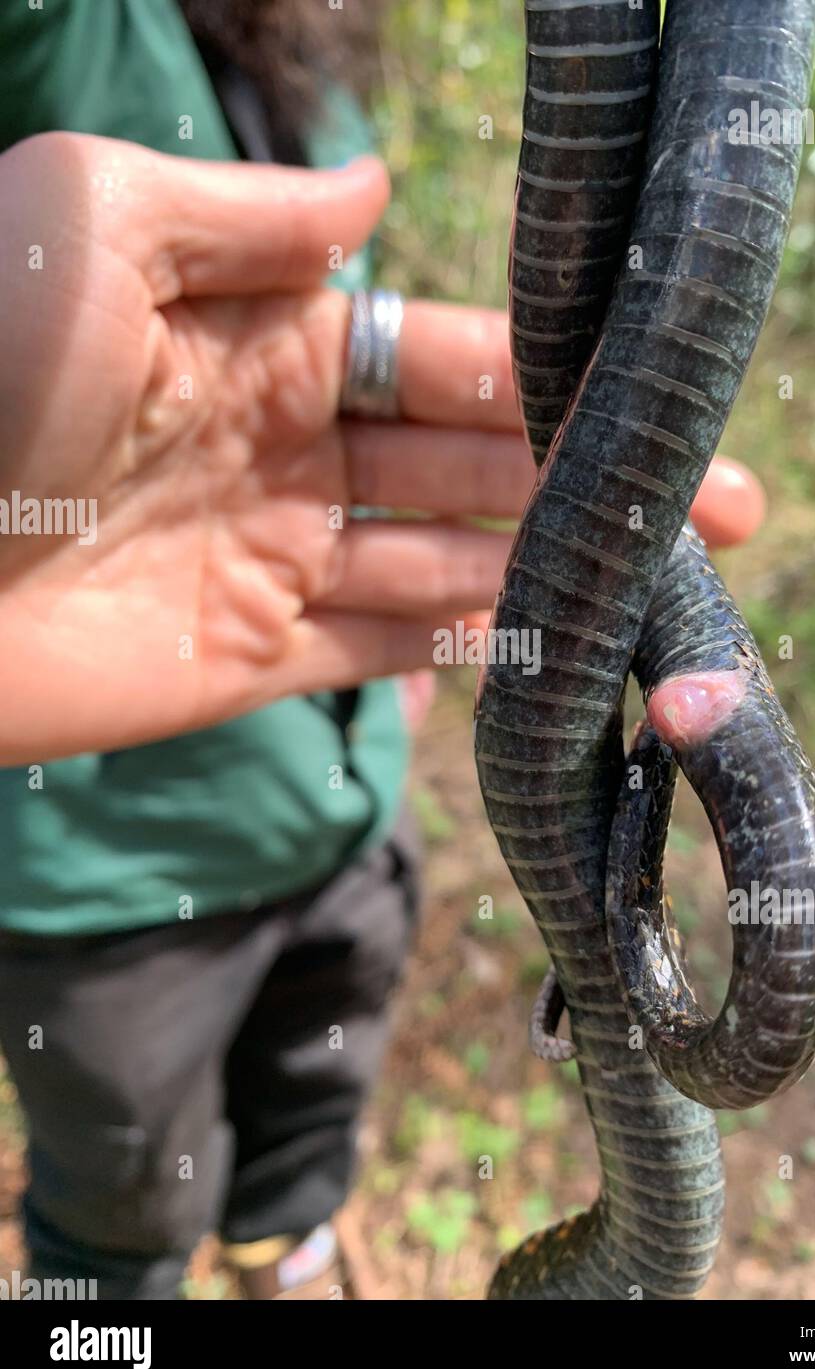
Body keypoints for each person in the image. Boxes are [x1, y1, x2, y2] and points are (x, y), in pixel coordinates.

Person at [0, 3, 765, 1301]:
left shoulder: (313, 56)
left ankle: (285, 1255)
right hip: (108, 891)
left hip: (342, 804)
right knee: (121, 1215)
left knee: (306, 1126)